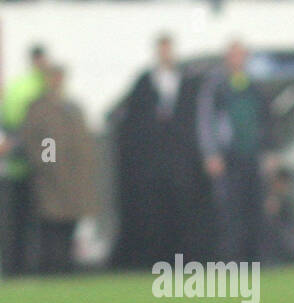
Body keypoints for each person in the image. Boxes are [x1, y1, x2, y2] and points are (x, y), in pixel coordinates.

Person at [112, 33, 212, 268]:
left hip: (180, 165)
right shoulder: (145, 83)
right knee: (155, 215)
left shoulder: (187, 82)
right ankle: (156, 260)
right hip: (153, 166)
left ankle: (185, 260)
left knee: (183, 213)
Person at [198, 41, 275, 263]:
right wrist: (211, 153)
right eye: (233, 55)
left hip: (252, 157)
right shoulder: (216, 87)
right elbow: (206, 121)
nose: (237, 60)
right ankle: (232, 258)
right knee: (231, 210)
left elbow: (267, 120)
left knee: (255, 208)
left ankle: (257, 258)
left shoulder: (255, 87)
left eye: (240, 55)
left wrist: (269, 152)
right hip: (228, 158)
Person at [19, 65, 96, 274]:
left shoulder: (73, 107)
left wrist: (82, 170)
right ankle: (51, 267)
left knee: (70, 224)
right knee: (51, 225)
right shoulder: (39, 108)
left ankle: (67, 265)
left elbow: (83, 141)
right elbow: (42, 140)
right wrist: (49, 165)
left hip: (74, 179)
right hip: (51, 179)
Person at [1, 45, 49, 277]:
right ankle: (22, 267)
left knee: (19, 221)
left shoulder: (20, 86)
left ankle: (18, 267)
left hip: (24, 164)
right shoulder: (37, 87)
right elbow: (45, 134)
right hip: (30, 167)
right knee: (26, 220)